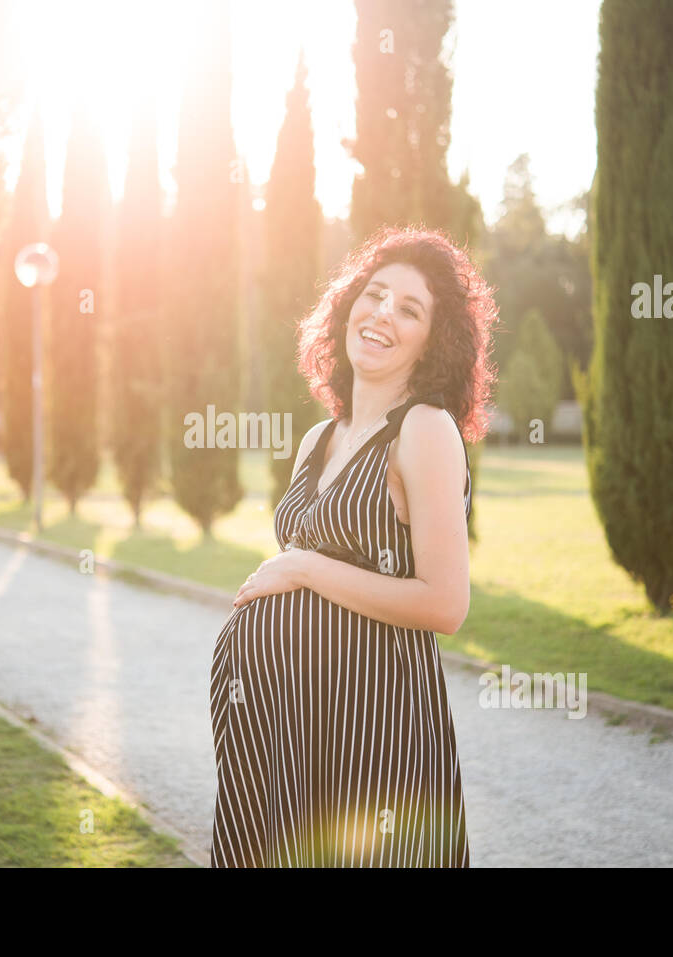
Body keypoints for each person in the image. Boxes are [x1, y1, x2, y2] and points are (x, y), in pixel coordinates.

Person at [208, 225, 498, 867]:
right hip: (281, 732)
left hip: (370, 727)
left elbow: (446, 604)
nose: (383, 314)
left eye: (410, 308)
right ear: (347, 305)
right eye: (375, 294)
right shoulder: (318, 439)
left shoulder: (424, 431)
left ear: (433, 341)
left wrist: (307, 568)